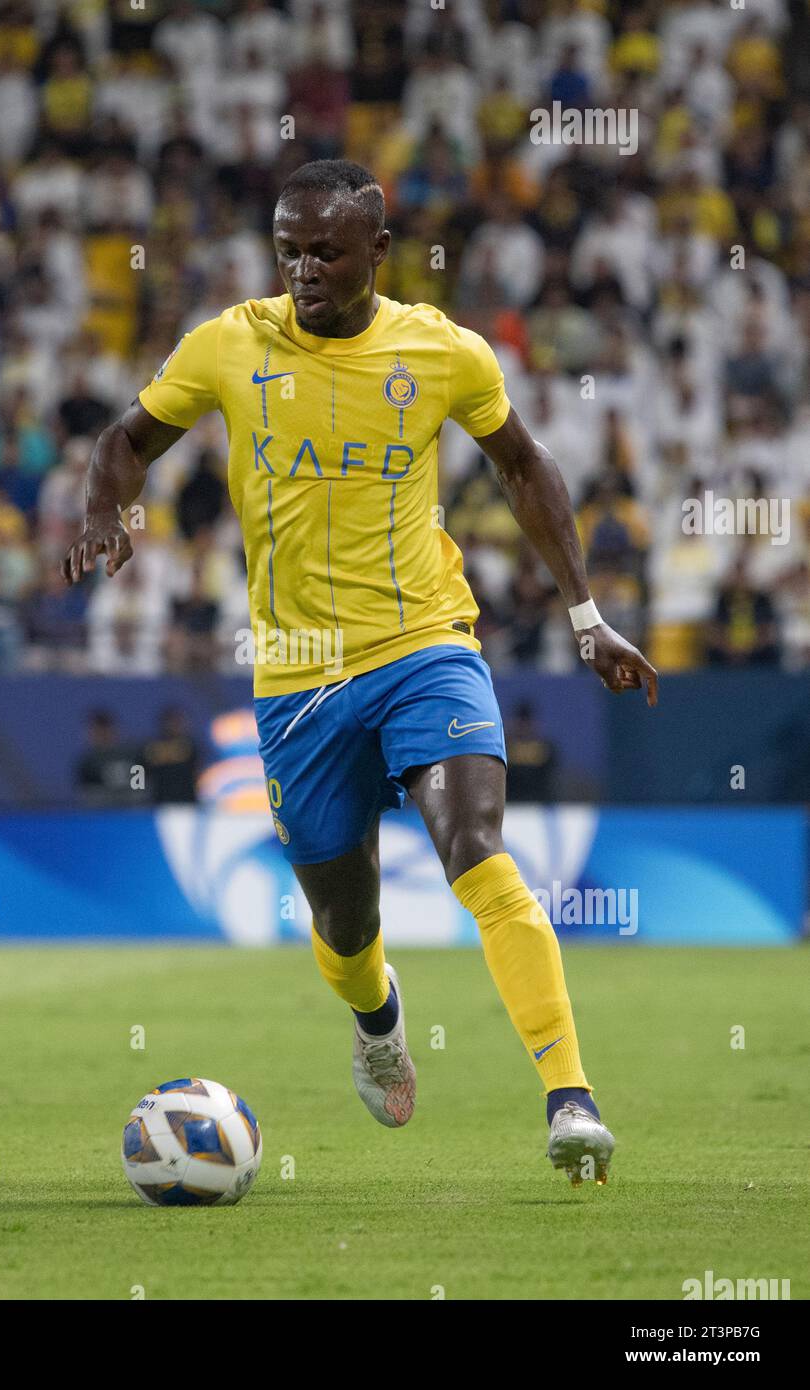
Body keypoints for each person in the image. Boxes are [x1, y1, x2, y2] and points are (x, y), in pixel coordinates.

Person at [63, 160, 659, 1187]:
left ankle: (570, 1095)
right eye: (288, 248)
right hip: (296, 678)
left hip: (426, 642)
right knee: (344, 921)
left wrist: (586, 615)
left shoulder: (441, 352)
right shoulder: (228, 345)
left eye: (325, 250)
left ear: (376, 252)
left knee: (475, 845)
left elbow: (521, 464)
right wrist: (101, 513)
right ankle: (376, 1019)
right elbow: (125, 439)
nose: (302, 268)